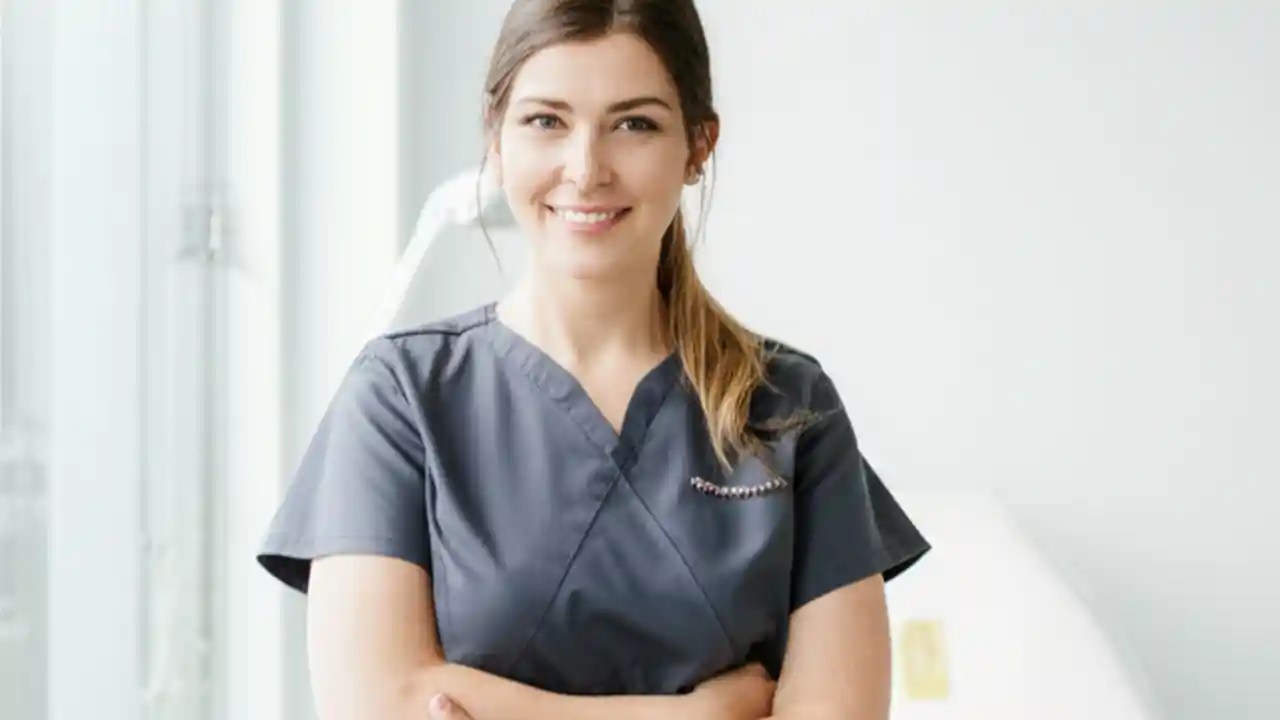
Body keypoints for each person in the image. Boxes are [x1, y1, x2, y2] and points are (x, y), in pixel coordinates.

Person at [256, 1, 931, 718]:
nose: (586, 169)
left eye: (633, 124)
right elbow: (381, 704)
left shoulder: (787, 407)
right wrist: (693, 716)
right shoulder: (400, 399)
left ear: (698, 146)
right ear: (496, 137)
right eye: (547, 121)